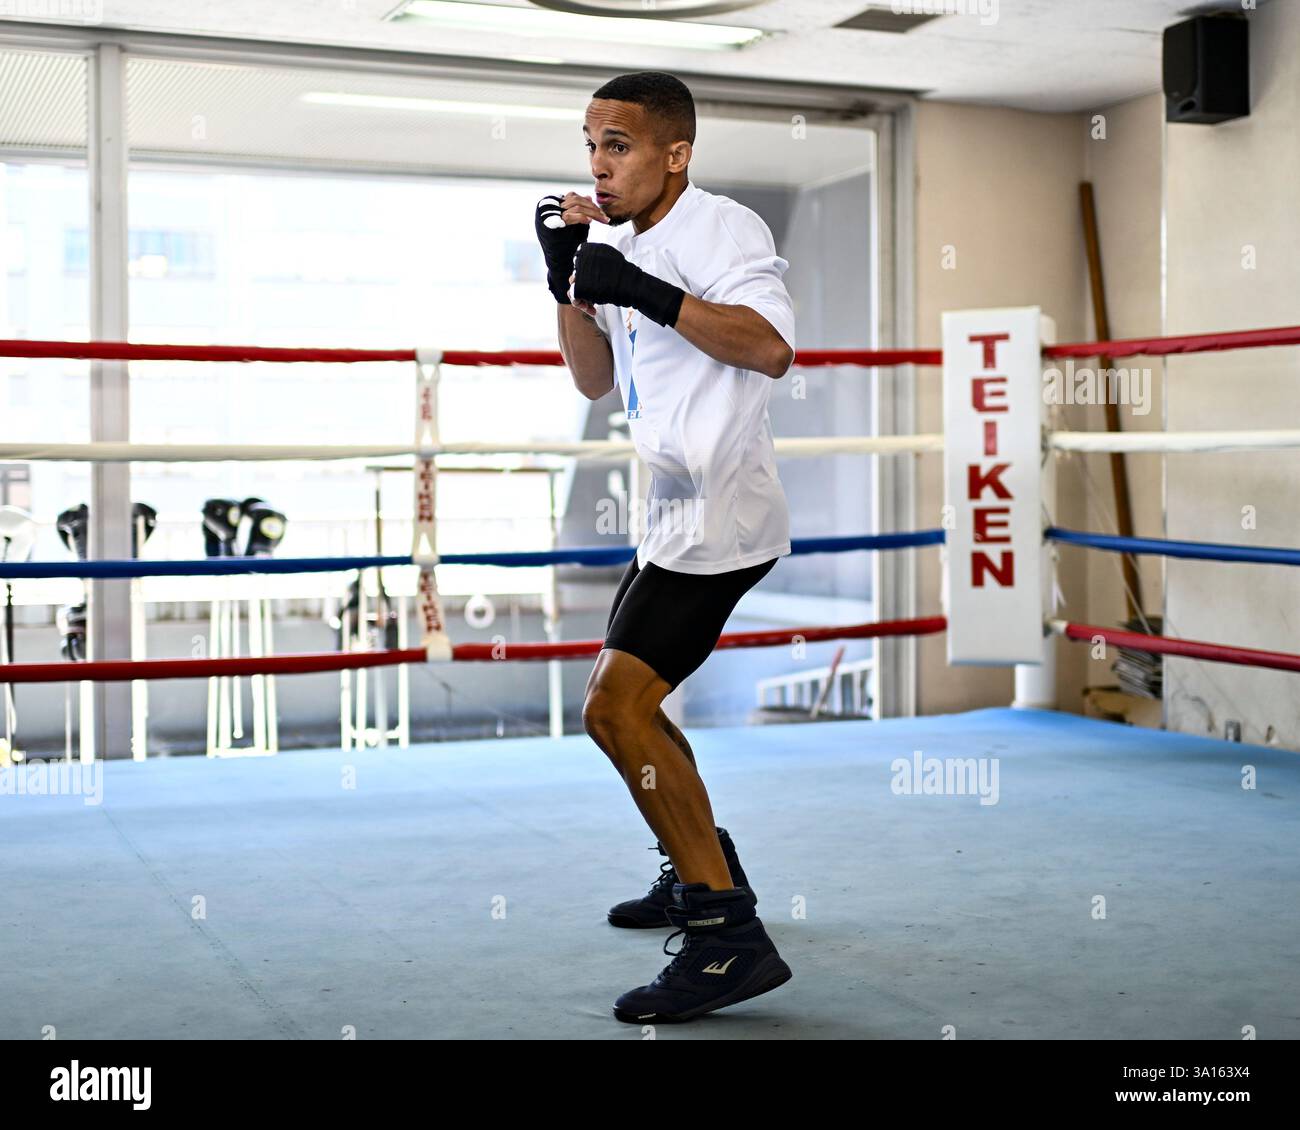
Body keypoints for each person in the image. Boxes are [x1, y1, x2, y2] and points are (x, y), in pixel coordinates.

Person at [535, 71, 796, 1023]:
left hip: (720, 518)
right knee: (635, 701)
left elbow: (768, 348)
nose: (600, 166)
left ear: (675, 152)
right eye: (593, 144)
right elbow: (593, 379)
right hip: (668, 513)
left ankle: (727, 936)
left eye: (621, 145)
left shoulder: (723, 230)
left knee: (614, 709)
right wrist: (566, 278)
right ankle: (699, 866)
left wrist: (641, 286)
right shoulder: (614, 236)